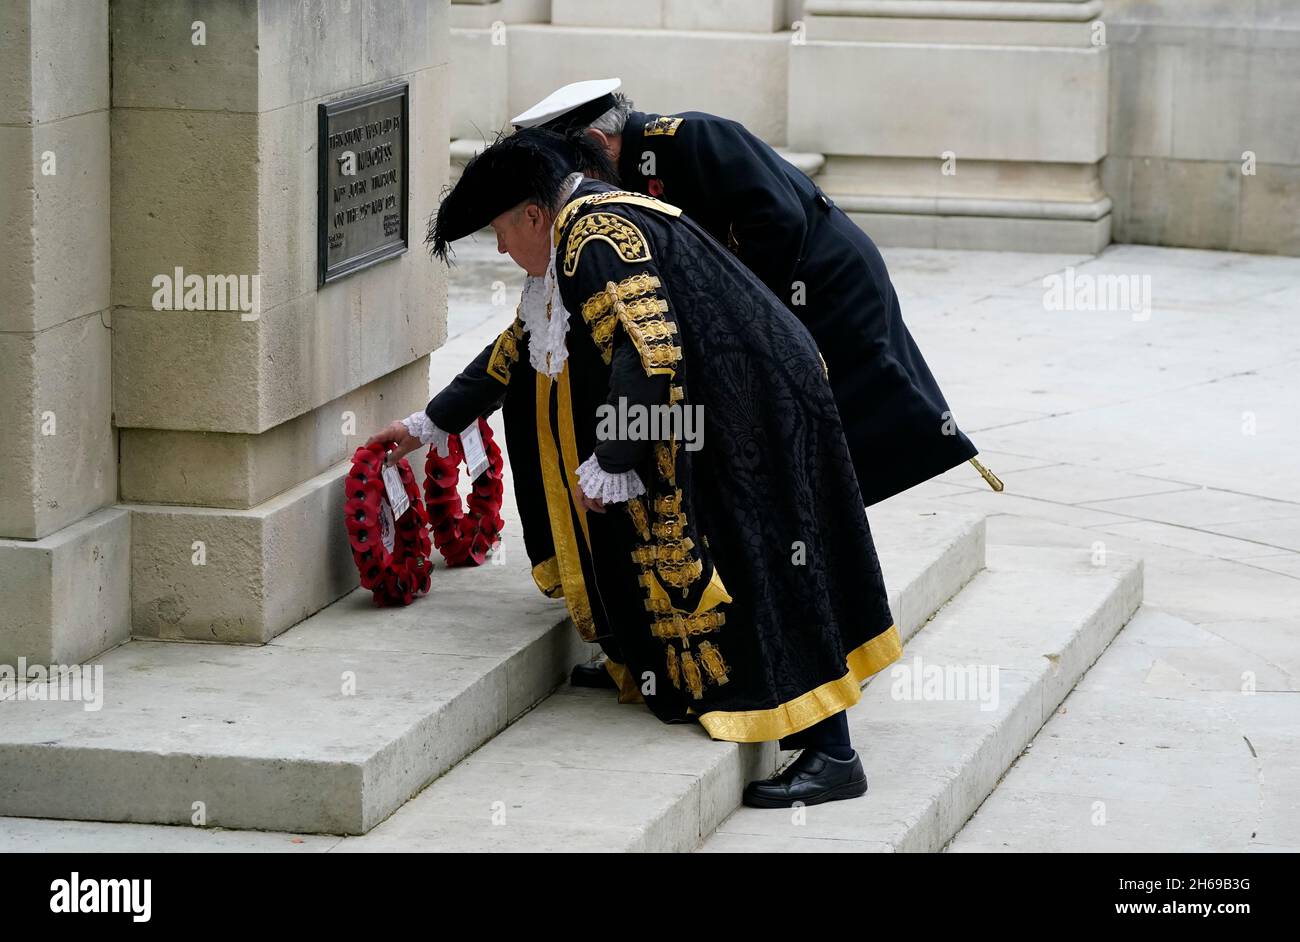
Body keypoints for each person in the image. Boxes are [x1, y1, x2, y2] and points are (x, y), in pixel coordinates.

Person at [368, 129, 901, 807]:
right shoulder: (581, 226)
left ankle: (832, 753)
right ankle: (650, 665)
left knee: (765, 558)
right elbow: (516, 349)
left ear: (534, 215)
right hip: (726, 398)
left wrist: (611, 459)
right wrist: (428, 425)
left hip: (753, 405)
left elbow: (646, 349)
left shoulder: (594, 239)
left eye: (500, 233)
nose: (501, 250)